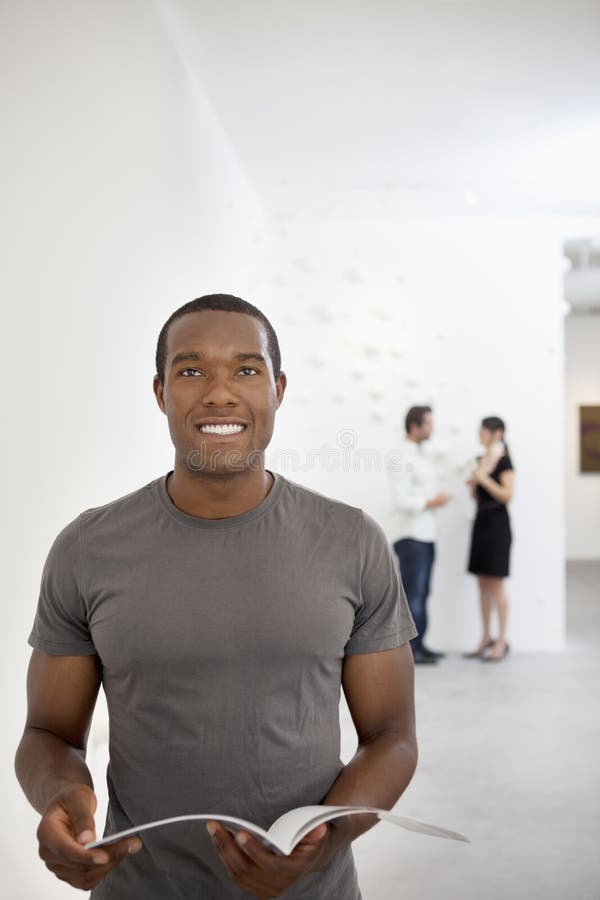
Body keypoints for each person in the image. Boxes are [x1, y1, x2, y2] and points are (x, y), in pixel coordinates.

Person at [15, 294, 418, 899]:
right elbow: (48, 733)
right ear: (160, 392)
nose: (220, 393)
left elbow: (392, 737)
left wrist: (325, 842)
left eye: (246, 369)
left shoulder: (351, 541)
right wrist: (61, 799)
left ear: (278, 389)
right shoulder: (87, 548)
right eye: (192, 370)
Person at [389, 406, 451, 664]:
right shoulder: (401, 456)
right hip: (411, 535)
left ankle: (420, 646)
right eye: (428, 424)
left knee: (422, 592)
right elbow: (402, 499)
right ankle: (411, 650)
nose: (431, 429)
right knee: (413, 593)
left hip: (426, 535)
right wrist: (431, 501)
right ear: (414, 426)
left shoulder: (422, 455)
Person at [465, 415, 515, 662]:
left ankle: (502, 640)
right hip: (481, 522)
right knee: (482, 583)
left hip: (497, 525)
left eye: (485, 430)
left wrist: (482, 478)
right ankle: (485, 636)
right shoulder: (478, 460)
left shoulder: (504, 460)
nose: (481, 434)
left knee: (496, 585)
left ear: (497, 433)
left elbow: (507, 495)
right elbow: (479, 496)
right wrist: (474, 485)